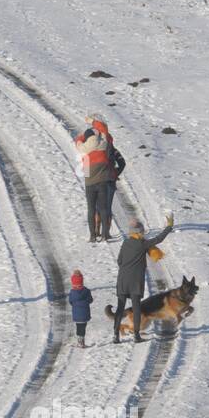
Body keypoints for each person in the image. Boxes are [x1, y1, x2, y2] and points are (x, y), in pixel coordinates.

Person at [113, 212, 174, 343]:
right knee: (136, 308)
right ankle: (136, 335)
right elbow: (159, 239)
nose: (143, 234)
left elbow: (119, 261)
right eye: (142, 232)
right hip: (135, 280)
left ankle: (115, 336)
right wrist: (169, 227)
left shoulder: (125, 243)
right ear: (139, 232)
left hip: (123, 279)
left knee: (120, 307)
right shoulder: (142, 244)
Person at [75, 114, 115, 243]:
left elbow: (78, 140)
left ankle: (92, 235)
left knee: (91, 209)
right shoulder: (103, 144)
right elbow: (104, 130)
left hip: (90, 183)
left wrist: (83, 137)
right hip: (102, 181)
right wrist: (93, 122)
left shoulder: (83, 149)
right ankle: (105, 234)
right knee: (103, 208)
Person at [67, 270, 94, 349]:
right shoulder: (87, 291)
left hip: (77, 315)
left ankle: (80, 342)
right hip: (85, 314)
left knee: (78, 327)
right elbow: (90, 300)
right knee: (83, 327)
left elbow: (70, 301)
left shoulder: (72, 293)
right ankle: (82, 341)